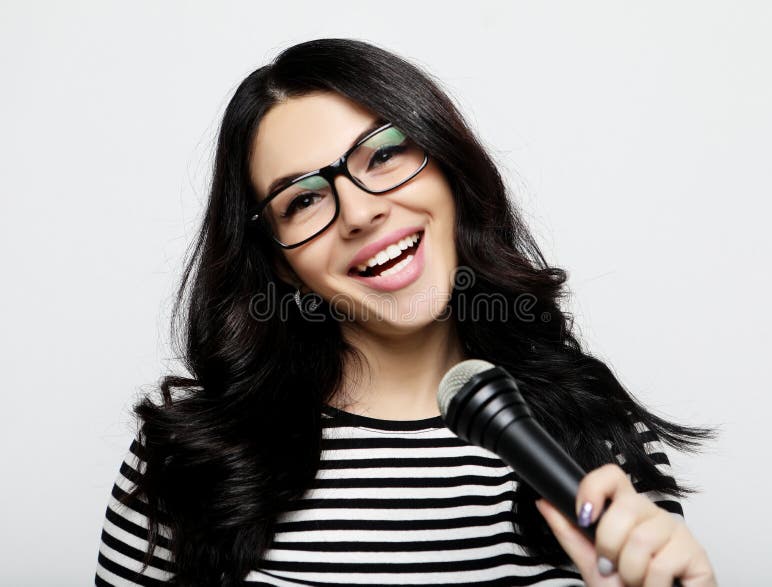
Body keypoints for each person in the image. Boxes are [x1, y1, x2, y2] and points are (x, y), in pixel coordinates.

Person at [94, 38, 718, 586]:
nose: (360, 212)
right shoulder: (185, 463)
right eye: (304, 199)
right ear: (280, 264)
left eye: (384, 155)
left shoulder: (599, 442)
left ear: (449, 170)